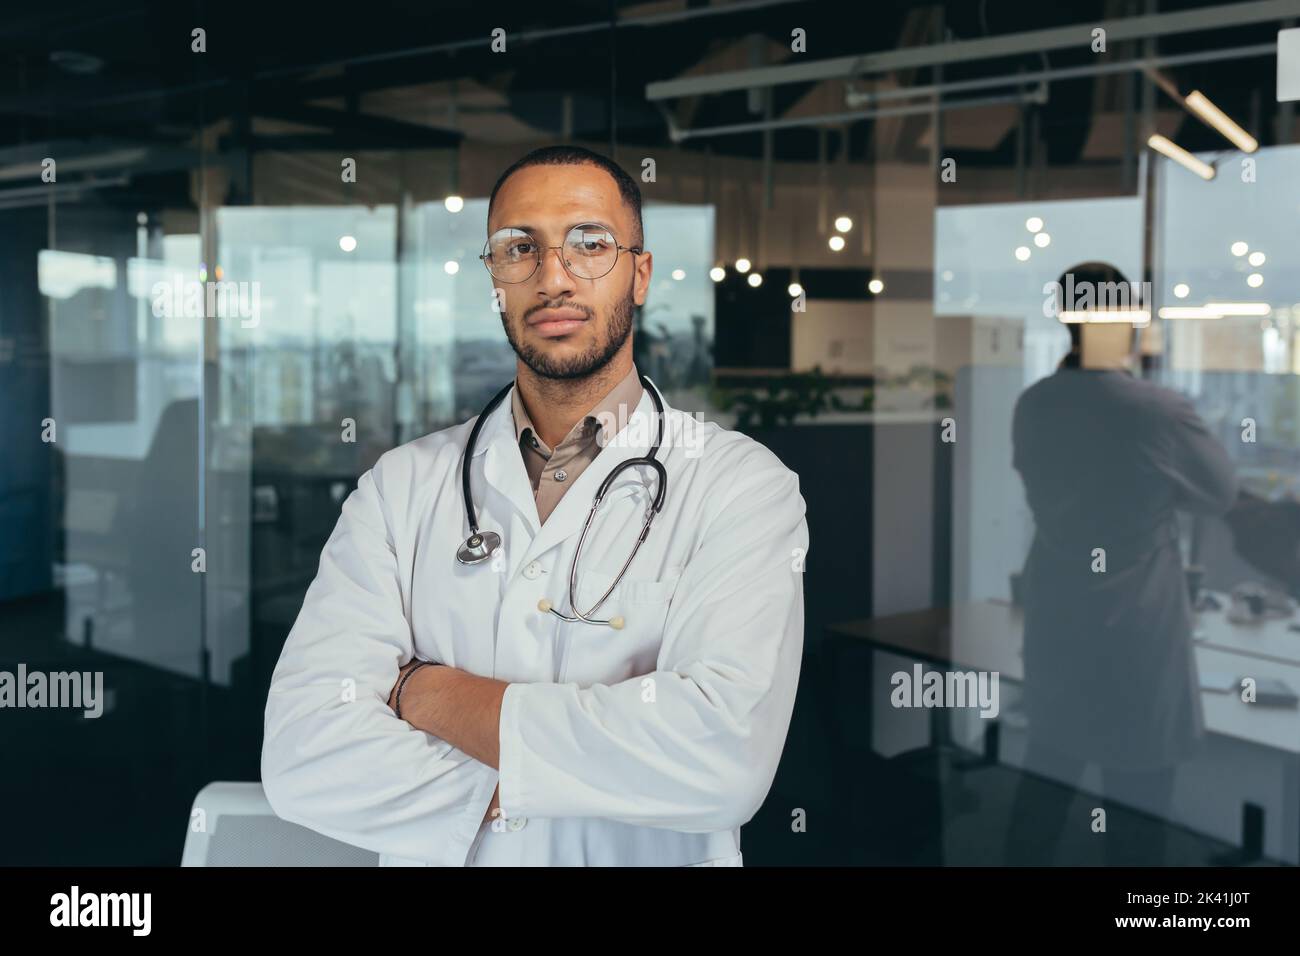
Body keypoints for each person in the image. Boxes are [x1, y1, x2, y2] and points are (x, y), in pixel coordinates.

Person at [261, 145, 809, 867]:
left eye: (590, 244)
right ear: (494, 276)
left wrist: (425, 693)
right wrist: (584, 771)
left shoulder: (739, 486)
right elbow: (303, 753)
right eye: (520, 248)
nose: (553, 277)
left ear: (639, 273)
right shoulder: (401, 487)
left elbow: (722, 757)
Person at [1005, 263, 1237, 865]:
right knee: (1137, 807)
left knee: (1045, 781)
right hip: (1135, 628)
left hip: (1058, 614)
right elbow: (1219, 493)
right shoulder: (1154, 410)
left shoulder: (1034, 403)